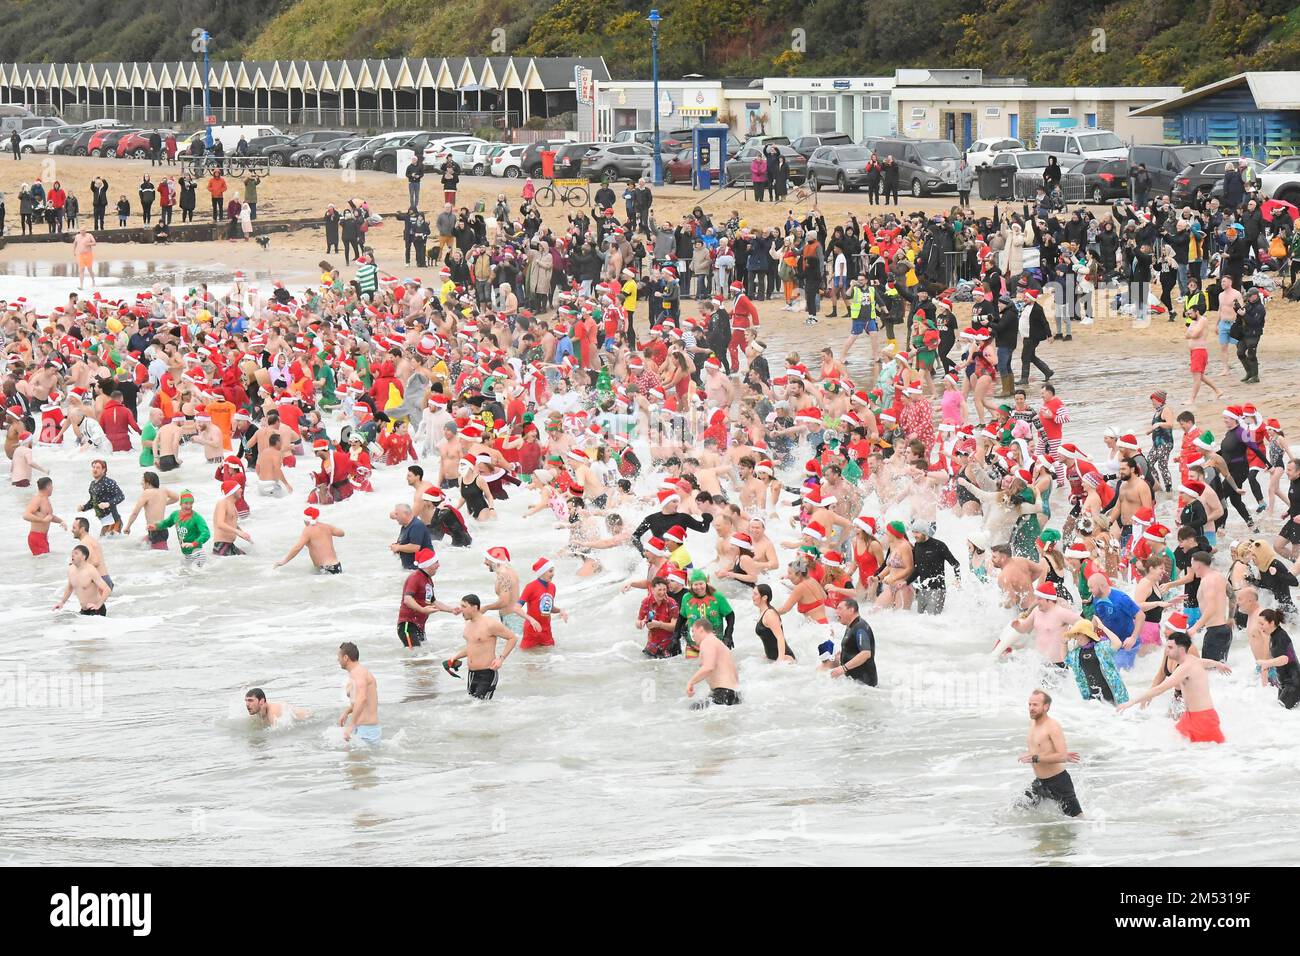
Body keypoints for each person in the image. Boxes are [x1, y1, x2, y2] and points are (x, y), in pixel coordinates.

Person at [1118, 632, 1230, 743]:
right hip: (1190, 717)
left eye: (1170, 647)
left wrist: (1131, 702)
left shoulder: (1184, 668)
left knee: (1211, 753)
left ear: (1181, 650)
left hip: (1203, 719)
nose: (1166, 650)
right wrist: (1219, 664)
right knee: (1177, 745)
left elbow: (1160, 689)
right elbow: (1206, 662)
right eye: (1167, 647)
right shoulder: (1192, 660)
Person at [1018, 689, 1083, 818]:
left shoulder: (1052, 726)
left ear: (1046, 707)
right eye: (1030, 704)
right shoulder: (1032, 725)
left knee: (1078, 820)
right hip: (1041, 783)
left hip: (1059, 782)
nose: (1031, 708)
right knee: (1017, 810)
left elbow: (1062, 756)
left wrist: (1036, 758)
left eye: (1035, 705)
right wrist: (1033, 756)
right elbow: (1044, 749)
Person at [443, 594, 520, 700]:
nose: (461, 609)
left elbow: (512, 638)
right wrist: (455, 657)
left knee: (481, 707)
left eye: (464, 606)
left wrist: (501, 659)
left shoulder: (490, 624)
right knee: (471, 707)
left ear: (474, 607)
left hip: (487, 674)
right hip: (472, 674)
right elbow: (472, 647)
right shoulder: (468, 625)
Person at [397, 547, 459, 648]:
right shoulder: (415, 577)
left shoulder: (428, 580)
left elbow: (433, 601)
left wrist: (451, 609)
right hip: (408, 625)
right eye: (436, 562)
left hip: (419, 626)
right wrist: (422, 609)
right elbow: (407, 599)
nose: (438, 565)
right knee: (415, 656)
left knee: (424, 658)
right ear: (428, 564)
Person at [685, 618, 741, 707]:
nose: (693, 636)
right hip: (735, 695)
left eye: (693, 631)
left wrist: (691, 682)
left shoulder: (707, 642)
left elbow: (708, 667)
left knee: (690, 712)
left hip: (723, 694)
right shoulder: (718, 643)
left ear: (701, 630)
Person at [275, 506, 345, 573]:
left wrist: (283, 561)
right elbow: (342, 533)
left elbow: (298, 547)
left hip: (326, 568)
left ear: (306, 520)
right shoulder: (326, 527)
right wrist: (328, 529)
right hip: (337, 566)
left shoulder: (308, 530)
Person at [518, 557, 567, 649]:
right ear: (542, 572)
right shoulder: (531, 587)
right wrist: (531, 620)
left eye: (553, 571)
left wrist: (561, 610)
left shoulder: (552, 587)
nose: (553, 574)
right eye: (550, 571)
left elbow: (549, 608)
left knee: (548, 659)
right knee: (527, 659)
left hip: (546, 631)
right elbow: (516, 608)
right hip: (531, 630)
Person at [824, 598, 877, 684]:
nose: (836, 612)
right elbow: (854, 650)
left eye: (840, 608)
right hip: (854, 683)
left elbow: (866, 653)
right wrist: (840, 656)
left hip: (864, 684)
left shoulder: (860, 627)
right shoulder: (851, 626)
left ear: (851, 610)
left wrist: (843, 668)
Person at [337, 642, 380, 745]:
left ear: (346, 657)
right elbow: (361, 702)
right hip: (361, 729)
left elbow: (362, 698)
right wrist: (347, 712)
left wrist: (351, 725)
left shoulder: (359, 673)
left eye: (339, 657)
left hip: (367, 731)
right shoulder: (355, 674)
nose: (337, 660)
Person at [149, 490, 210, 560]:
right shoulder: (175, 515)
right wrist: (156, 526)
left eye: (191, 503)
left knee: (195, 570)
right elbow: (166, 523)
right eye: (186, 503)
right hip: (185, 554)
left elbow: (206, 533)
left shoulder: (197, 518)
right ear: (180, 503)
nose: (189, 506)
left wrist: (194, 543)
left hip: (197, 554)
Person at [52, 545, 111, 616]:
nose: (72, 555)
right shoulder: (71, 569)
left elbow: (107, 589)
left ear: (84, 557)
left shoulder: (91, 571)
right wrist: (62, 602)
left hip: (96, 610)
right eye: (72, 553)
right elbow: (70, 588)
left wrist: (98, 605)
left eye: (76, 553)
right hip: (84, 610)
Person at [24, 476, 67, 555]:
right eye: (52, 486)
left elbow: (49, 517)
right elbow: (26, 515)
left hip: (43, 537)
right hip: (36, 537)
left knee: (44, 563)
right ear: (48, 486)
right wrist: (42, 520)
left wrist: (61, 521)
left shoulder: (46, 499)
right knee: (42, 562)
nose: (53, 488)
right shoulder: (37, 499)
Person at [752, 583, 794, 662]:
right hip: (773, 658)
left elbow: (780, 637)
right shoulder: (762, 612)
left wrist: (780, 659)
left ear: (764, 597)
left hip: (785, 658)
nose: (752, 596)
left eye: (755, 594)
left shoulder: (770, 614)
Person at [244, 688, 309, 726]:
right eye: (246, 701)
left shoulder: (274, 713)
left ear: (261, 701)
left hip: (308, 718)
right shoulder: (258, 712)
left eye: (250, 700)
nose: (247, 704)